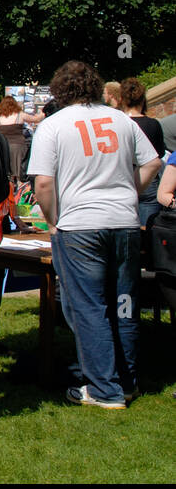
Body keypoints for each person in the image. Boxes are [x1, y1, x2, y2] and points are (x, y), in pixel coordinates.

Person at [27, 61, 161, 408]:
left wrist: (53, 217)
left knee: (89, 306)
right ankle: (127, 380)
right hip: (124, 221)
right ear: (97, 87)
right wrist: (130, 192)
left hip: (80, 224)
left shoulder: (53, 126)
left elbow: (42, 182)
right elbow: (152, 162)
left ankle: (103, 388)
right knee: (125, 303)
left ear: (59, 91)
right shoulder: (122, 121)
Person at [119, 77, 165, 228]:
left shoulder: (117, 123)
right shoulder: (153, 124)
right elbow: (159, 153)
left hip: (121, 178)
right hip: (148, 181)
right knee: (146, 231)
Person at [0, 96, 41, 185]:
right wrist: (42, 113)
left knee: (8, 171)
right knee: (20, 170)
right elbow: (35, 119)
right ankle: (20, 192)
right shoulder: (20, 115)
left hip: (4, 147)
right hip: (19, 146)